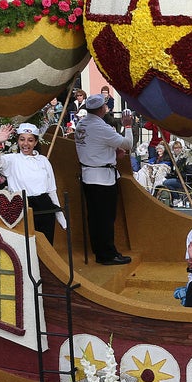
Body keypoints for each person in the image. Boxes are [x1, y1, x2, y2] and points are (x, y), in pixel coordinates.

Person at [75, 93, 135, 265]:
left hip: (88, 175)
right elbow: (128, 144)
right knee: (106, 219)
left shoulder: (81, 124)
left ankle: (100, 251)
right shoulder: (101, 127)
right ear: (102, 109)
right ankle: (108, 254)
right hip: (102, 179)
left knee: (94, 218)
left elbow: (93, 148)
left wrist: (111, 154)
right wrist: (128, 126)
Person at [0, 123, 66, 243]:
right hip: (21, 205)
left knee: (45, 245)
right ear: (18, 141)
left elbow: (51, 190)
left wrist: (60, 216)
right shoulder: (12, 159)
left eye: (30, 140)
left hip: (44, 207)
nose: (25, 144)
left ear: (36, 142)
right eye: (22, 139)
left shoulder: (43, 161)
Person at [159, 140, 192, 207]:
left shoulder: (185, 158)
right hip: (177, 179)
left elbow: (190, 172)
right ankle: (175, 198)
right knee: (164, 182)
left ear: (181, 148)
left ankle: (177, 198)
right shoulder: (173, 158)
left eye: (179, 148)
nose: (177, 149)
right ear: (173, 149)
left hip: (184, 181)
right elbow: (174, 171)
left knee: (166, 183)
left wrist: (179, 174)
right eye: (175, 148)